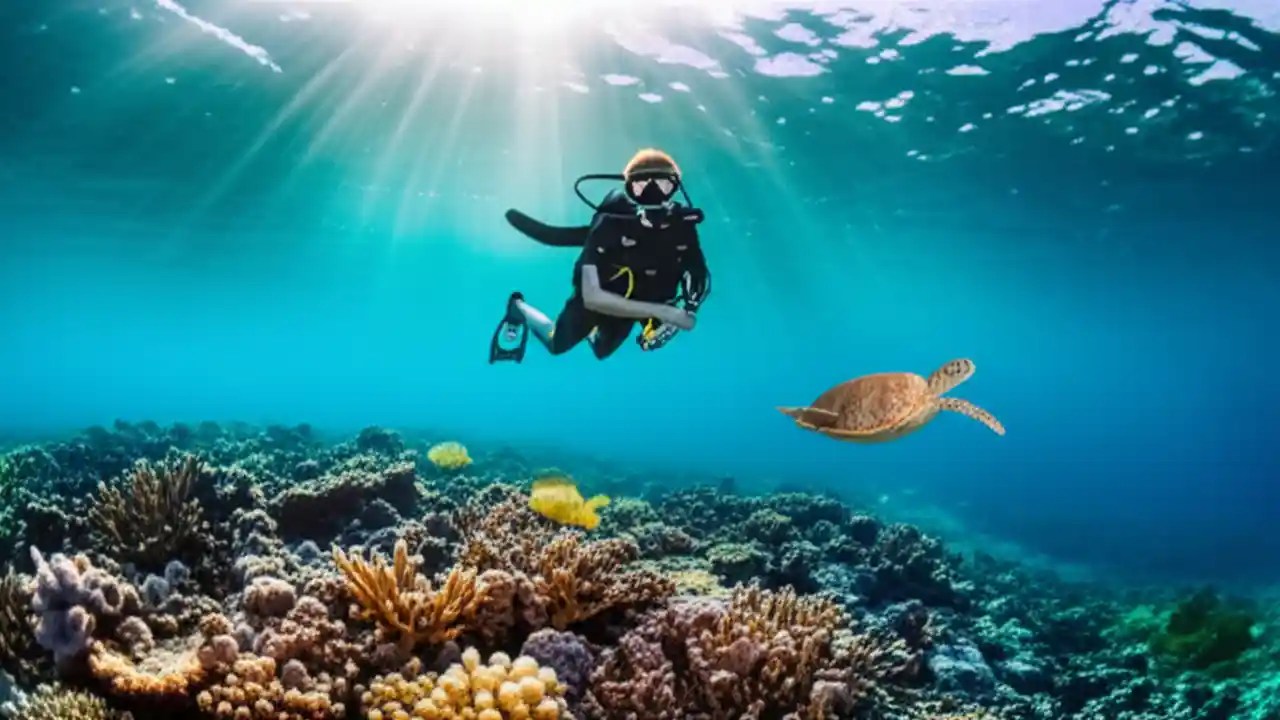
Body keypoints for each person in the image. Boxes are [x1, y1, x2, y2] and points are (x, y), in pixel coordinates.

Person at [489, 148, 712, 363]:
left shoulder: (683, 227)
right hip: (599, 298)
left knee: (601, 351)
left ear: (675, 187)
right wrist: (663, 313)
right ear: (629, 189)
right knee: (556, 345)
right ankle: (517, 307)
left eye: (663, 184)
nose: (652, 193)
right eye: (641, 185)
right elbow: (590, 294)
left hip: (638, 299)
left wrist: (691, 304)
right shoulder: (610, 225)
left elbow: (697, 268)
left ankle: (621, 328)